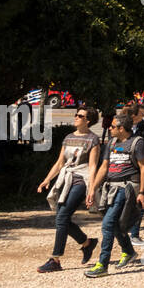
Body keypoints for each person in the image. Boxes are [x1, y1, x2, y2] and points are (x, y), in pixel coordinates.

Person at [84, 113, 144, 277]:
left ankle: (102, 264)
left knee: (107, 224)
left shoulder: (137, 143)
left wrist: (142, 192)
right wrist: (92, 188)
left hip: (126, 188)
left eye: (113, 126)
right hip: (110, 189)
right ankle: (128, 251)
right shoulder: (112, 142)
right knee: (114, 225)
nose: (110, 128)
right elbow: (104, 167)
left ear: (122, 128)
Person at [36, 107, 101, 272]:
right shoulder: (69, 137)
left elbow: (93, 166)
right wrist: (46, 180)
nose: (76, 117)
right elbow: (59, 163)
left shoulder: (93, 139)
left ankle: (55, 260)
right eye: (76, 114)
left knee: (62, 216)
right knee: (61, 217)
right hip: (67, 178)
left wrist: (92, 188)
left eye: (80, 116)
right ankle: (87, 243)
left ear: (88, 121)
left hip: (82, 180)